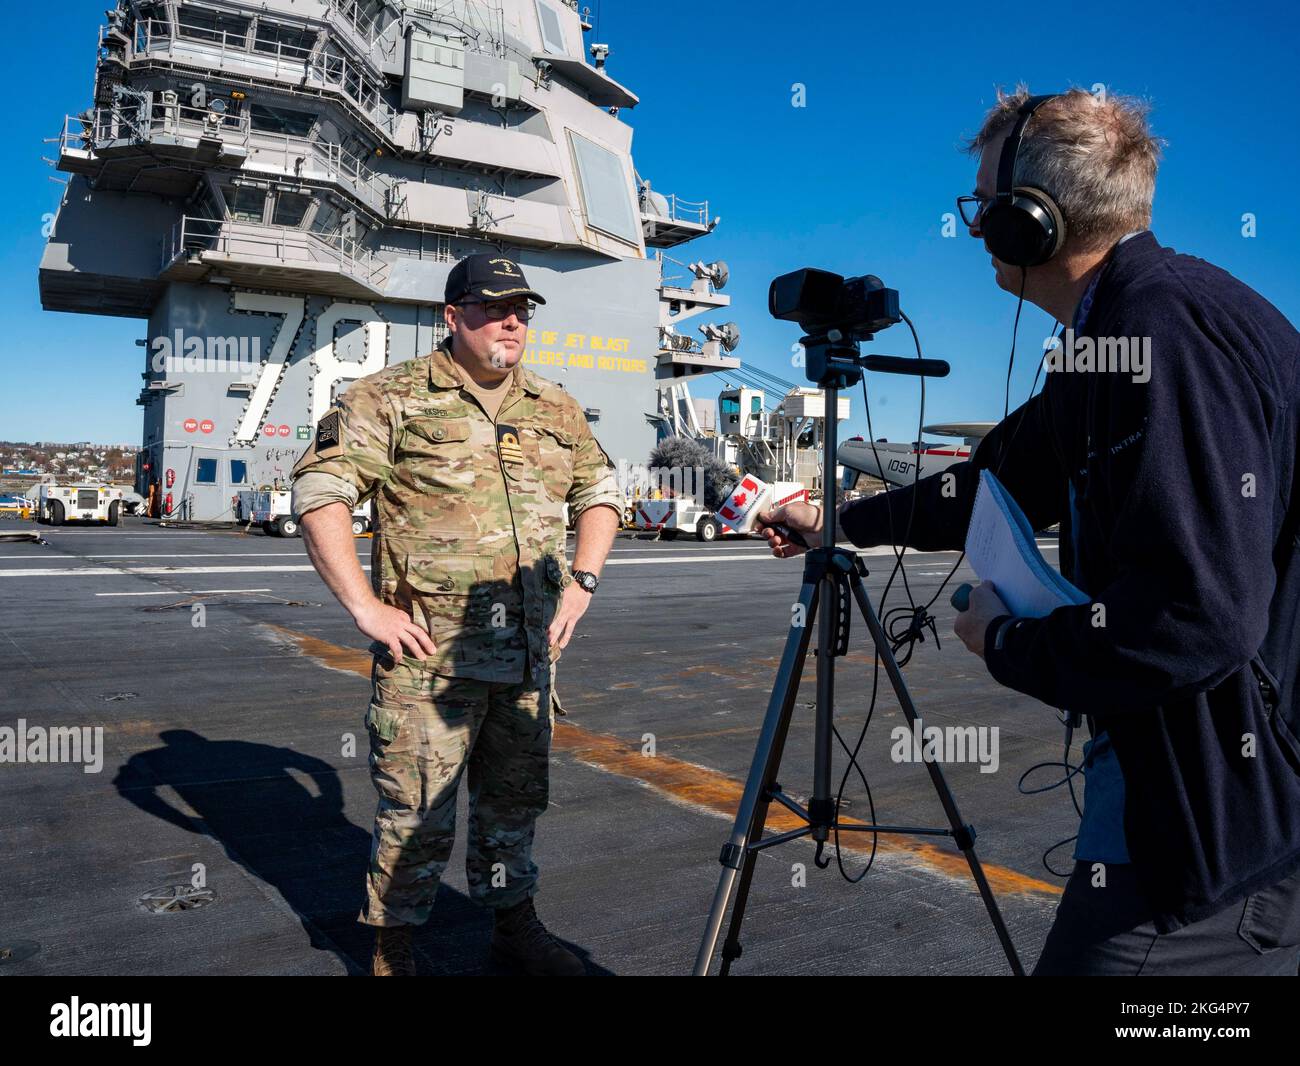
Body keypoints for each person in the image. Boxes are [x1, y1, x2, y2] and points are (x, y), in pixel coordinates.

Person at [759, 87, 1300, 975]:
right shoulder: (1114, 337)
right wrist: (838, 523)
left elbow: (1196, 617)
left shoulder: (1163, 330)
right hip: (1180, 786)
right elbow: (994, 485)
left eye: (982, 205)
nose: (976, 229)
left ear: (1027, 222)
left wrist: (1009, 641)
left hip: (1214, 830)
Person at [291, 253, 621, 975]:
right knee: (414, 816)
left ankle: (513, 927)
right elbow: (320, 492)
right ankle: (392, 948)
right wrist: (364, 607)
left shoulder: (554, 406)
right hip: (428, 667)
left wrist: (584, 580)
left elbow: (600, 491)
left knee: (513, 810)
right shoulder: (390, 398)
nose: (512, 320)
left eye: (523, 310)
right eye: (493, 306)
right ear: (452, 316)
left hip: (530, 662)